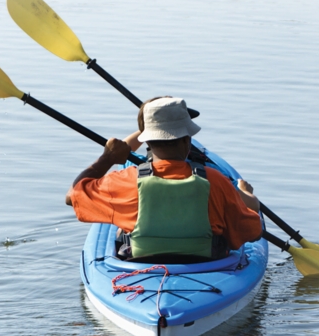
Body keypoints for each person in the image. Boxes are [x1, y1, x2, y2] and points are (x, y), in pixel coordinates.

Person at [65, 96, 263, 262]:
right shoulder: (216, 181)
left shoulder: (124, 180)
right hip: (206, 265)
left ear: (147, 141)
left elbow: (72, 196)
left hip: (138, 264)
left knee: (120, 232)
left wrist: (107, 158)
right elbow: (253, 232)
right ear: (187, 141)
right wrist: (245, 193)